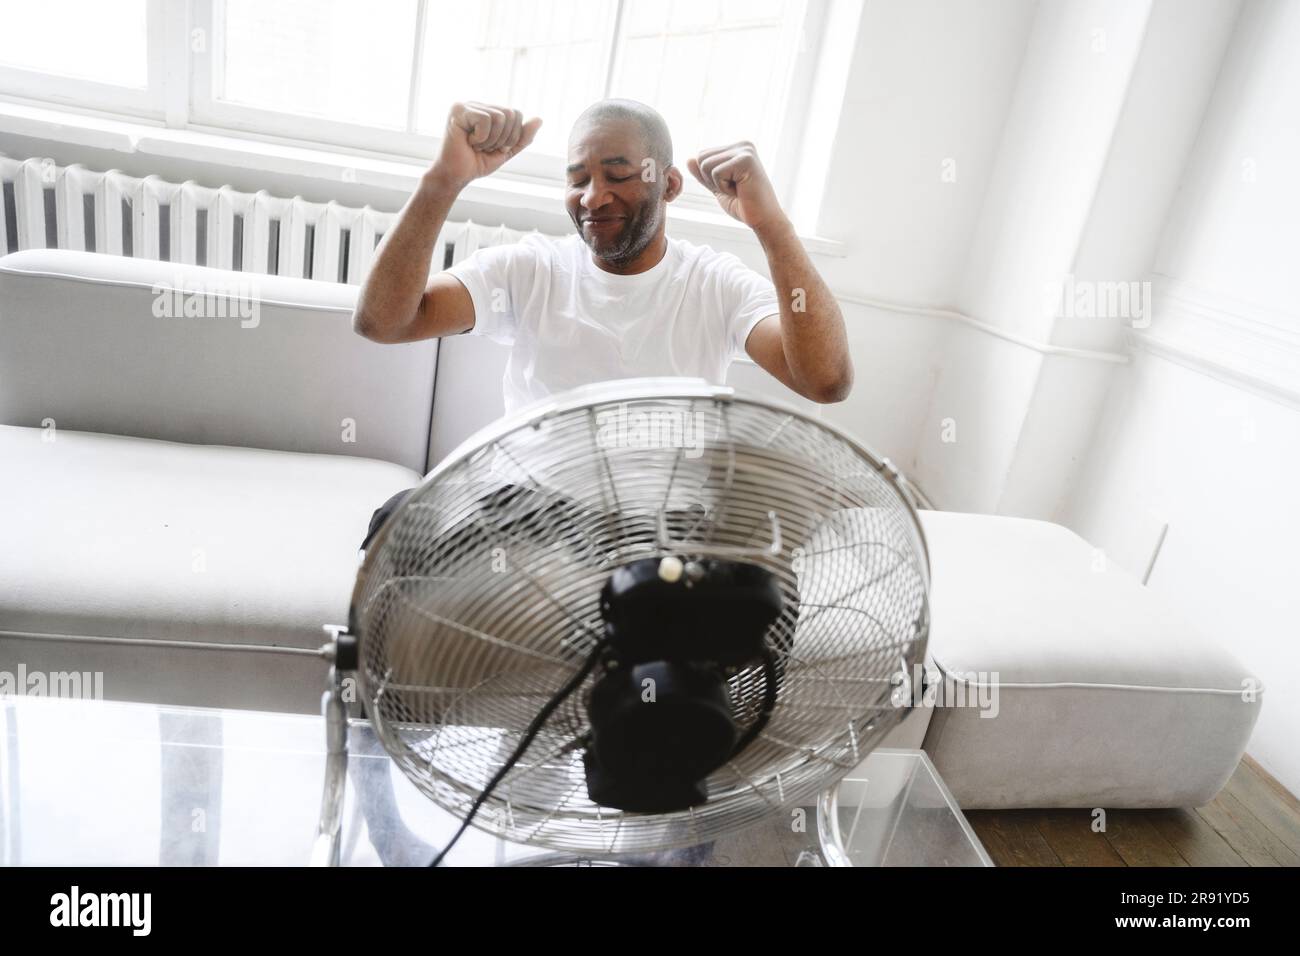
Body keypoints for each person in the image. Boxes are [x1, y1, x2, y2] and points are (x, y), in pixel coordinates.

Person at [354, 98, 853, 550]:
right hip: (526, 508)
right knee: (401, 522)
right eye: (578, 179)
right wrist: (444, 180)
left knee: (759, 600)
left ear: (669, 184)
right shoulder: (530, 269)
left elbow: (825, 380)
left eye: (618, 176)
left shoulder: (714, 282)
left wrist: (771, 225)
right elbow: (383, 321)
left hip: (658, 530)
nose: (593, 197)